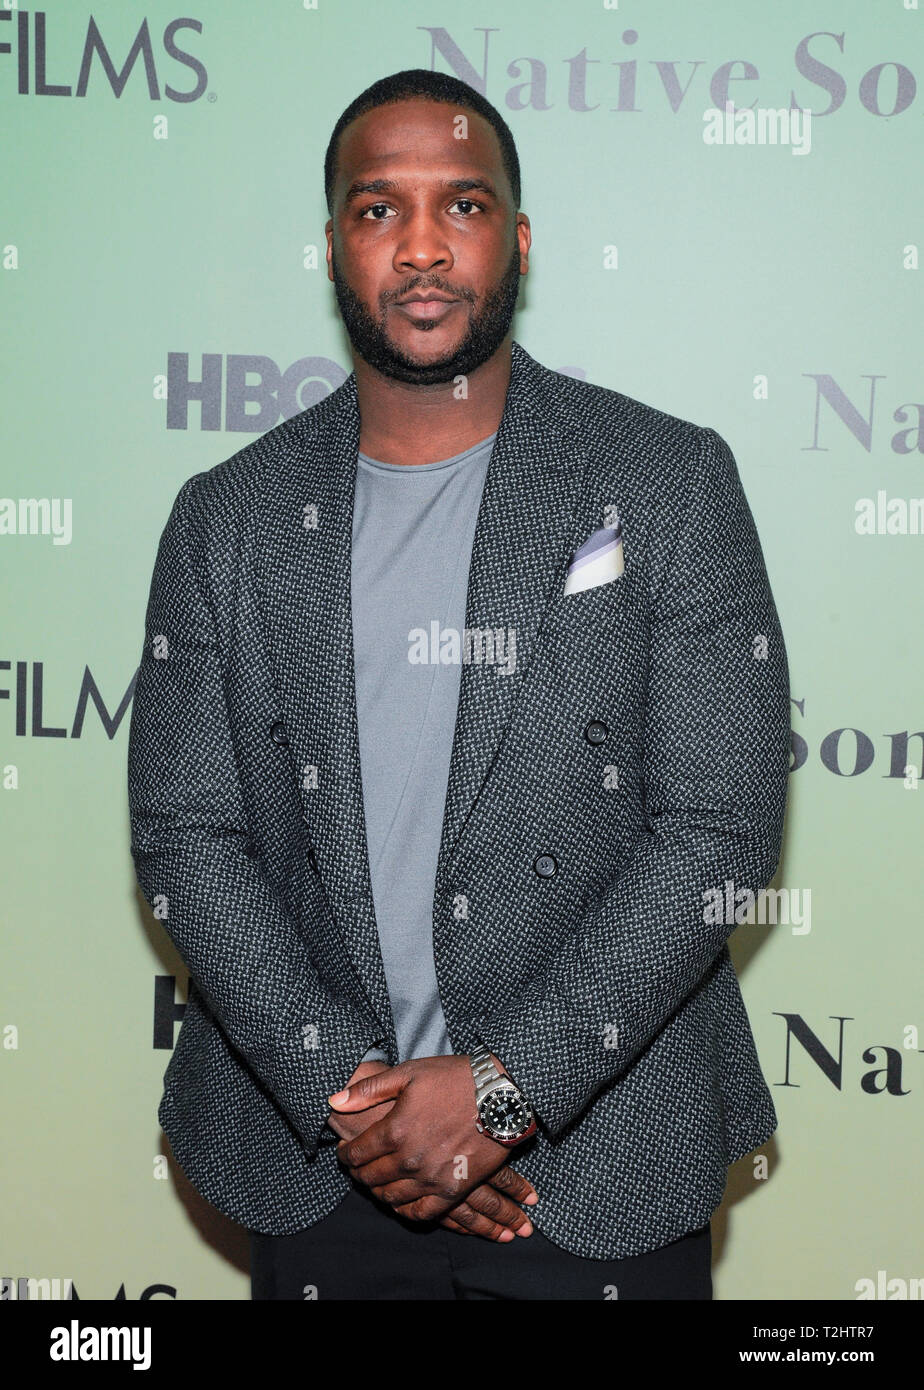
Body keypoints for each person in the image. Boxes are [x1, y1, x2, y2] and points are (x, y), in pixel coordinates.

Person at [127, 68, 790, 1301]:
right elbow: (186, 833)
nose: (422, 246)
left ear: (519, 240)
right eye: (379, 210)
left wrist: (504, 1087)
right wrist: (364, 1110)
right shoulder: (225, 519)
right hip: (320, 1165)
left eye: (463, 206)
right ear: (333, 245)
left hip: (603, 1166)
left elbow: (720, 827)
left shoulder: (668, 479)